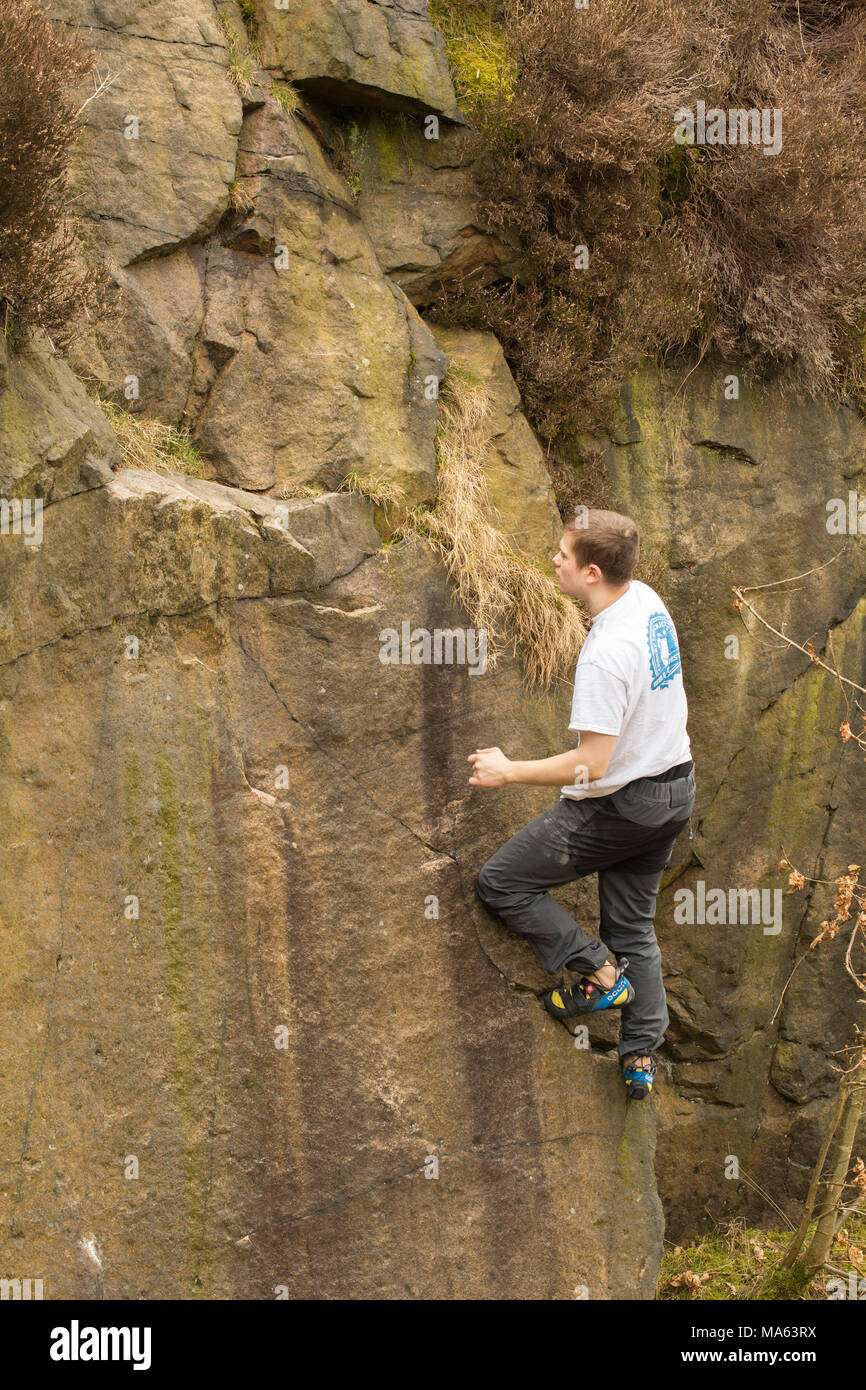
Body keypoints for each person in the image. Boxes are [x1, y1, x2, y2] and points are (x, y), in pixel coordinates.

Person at [469, 509, 695, 1099]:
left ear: (592, 572)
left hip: (622, 806)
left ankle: (600, 973)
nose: (553, 561)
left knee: (501, 884)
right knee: (634, 926)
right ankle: (640, 1053)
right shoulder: (644, 600)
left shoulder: (606, 656)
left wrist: (508, 770)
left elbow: (591, 765)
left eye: (563, 555)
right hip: (674, 790)